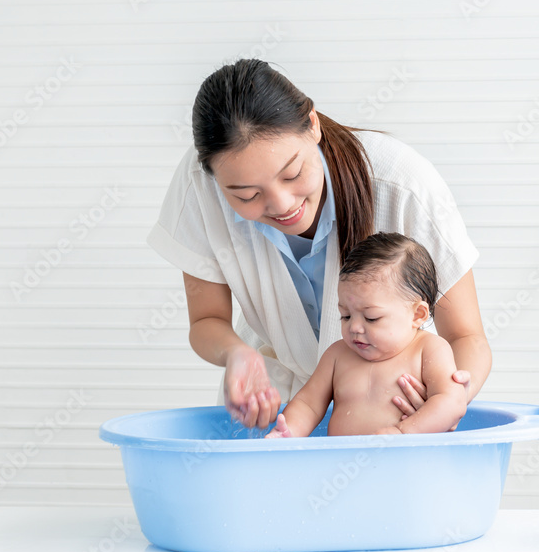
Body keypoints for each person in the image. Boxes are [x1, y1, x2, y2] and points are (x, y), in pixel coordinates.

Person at [147, 58, 491, 428]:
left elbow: (467, 336)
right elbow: (206, 320)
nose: (282, 205)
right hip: (277, 404)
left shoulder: (402, 183)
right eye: (247, 195)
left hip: (396, 407)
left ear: (312, 125)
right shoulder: (199, 188)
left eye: (293, 173)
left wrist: (442, 403)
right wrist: (237, 354)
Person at [266, 232, 464, 437]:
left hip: (405, 462)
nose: (354, 328)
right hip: (340, 464)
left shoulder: (429, 350)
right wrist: (289, 430)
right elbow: (308, 404)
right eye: (346, 316)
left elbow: (451, 401)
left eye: (371, 318)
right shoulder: (337, 355)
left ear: (417, 314)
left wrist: (403, 432)